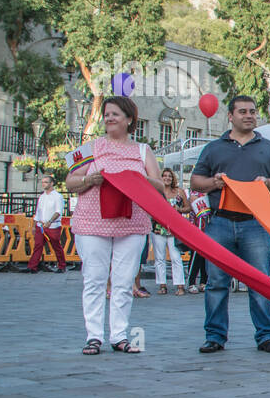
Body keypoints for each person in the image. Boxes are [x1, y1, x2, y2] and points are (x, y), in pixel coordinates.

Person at [190, 95, 270, 354]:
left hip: (255, 224)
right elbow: (195, 182)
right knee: (215, 282)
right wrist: (214, 183)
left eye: (253, 111)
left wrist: (267, 183)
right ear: (231, 116)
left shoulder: (267, 147)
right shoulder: (214, 148)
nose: (249, 115)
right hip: (220, 222)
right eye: (243, 111)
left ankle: (266, 336)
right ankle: (214, 336)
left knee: (261, 281)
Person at [64, 96, 164, 354]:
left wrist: (136, 178)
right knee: (94, 279)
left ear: (129, 119)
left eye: (115, 114)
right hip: (92, 221)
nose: (109, 118)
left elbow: (160, 186)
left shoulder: (143, 151)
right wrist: (90, 179)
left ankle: (119, 335)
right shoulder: (91, 148)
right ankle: (93, 336)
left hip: (131, 222)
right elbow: (70, 181)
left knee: (123, 280)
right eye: (107, 114)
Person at [150, 168, 189, 296]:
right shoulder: (155, 192)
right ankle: (162, 285)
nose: (167, 178)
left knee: (175, 257)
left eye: (169, 176)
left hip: (174, 229)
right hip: (158, 228)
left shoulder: (179, 192)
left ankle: (180, 285)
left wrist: (179, 209)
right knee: (159, 258)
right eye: (164, 176)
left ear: (173, 178)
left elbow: (188, 207)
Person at [28, 174, 68, 273]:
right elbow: (38, 212)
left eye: (46, 182)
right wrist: (34, 225)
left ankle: (62, 266)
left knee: (56, 246)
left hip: (53, 226)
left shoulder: (58, 196)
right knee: (38, 245)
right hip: (40, 225)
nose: (43, 184)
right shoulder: (41, 196)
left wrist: (50, 221)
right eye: (42, 182)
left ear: (52, 183)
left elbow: (58, 212)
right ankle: (33, 267)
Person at [184, 190, 210, 294]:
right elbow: (196, 205)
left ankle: (203, 281)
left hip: (208, 229)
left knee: (205, 256)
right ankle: (191, 282)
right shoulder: (194, 194)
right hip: (197, 228)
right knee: (196, 255)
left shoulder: (210, 192)